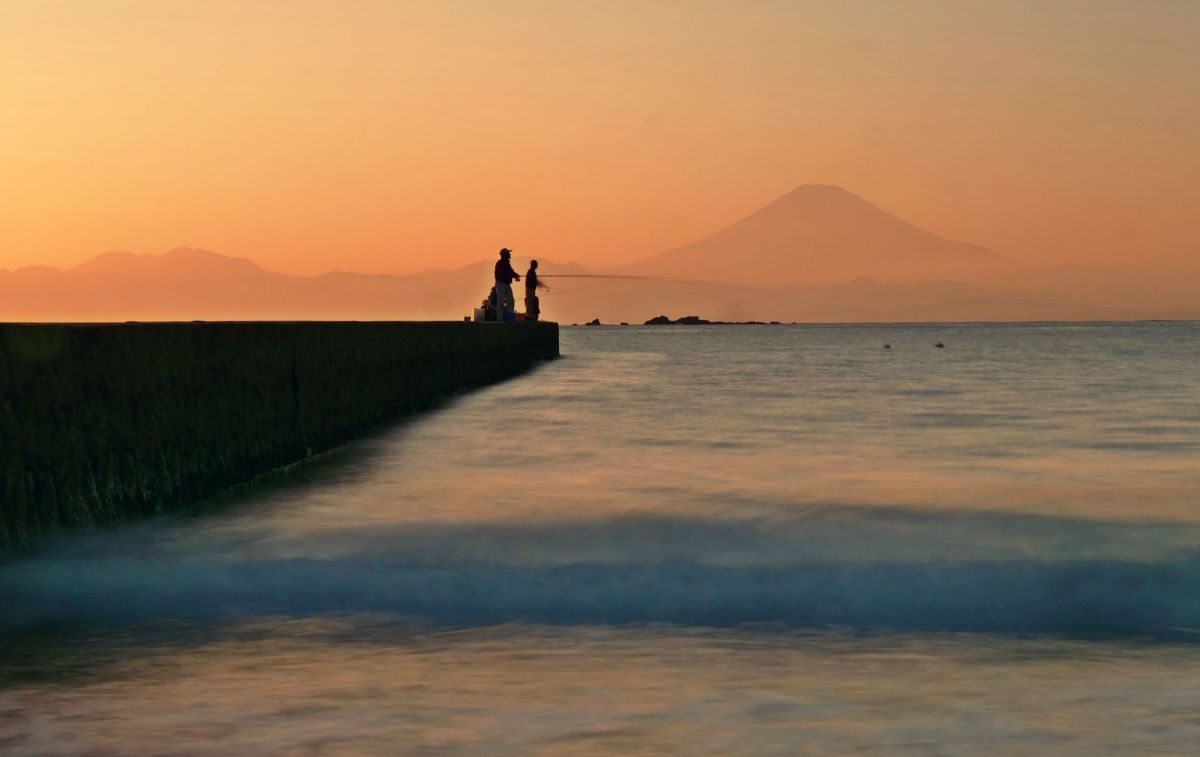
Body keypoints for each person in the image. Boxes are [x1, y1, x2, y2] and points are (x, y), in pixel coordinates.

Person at [494, 248, 519, 321]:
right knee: (501, 302)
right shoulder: (500, 264)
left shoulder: (506, 263)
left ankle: (510, 317)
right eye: (508, 253)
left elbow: (510, 272)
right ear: (504, 255)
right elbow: (507, 273)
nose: (509, 254)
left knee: (511, 301)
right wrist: (514, 275)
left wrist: (514, 275)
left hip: (506, 284)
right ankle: (500, 318)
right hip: (501, 284)